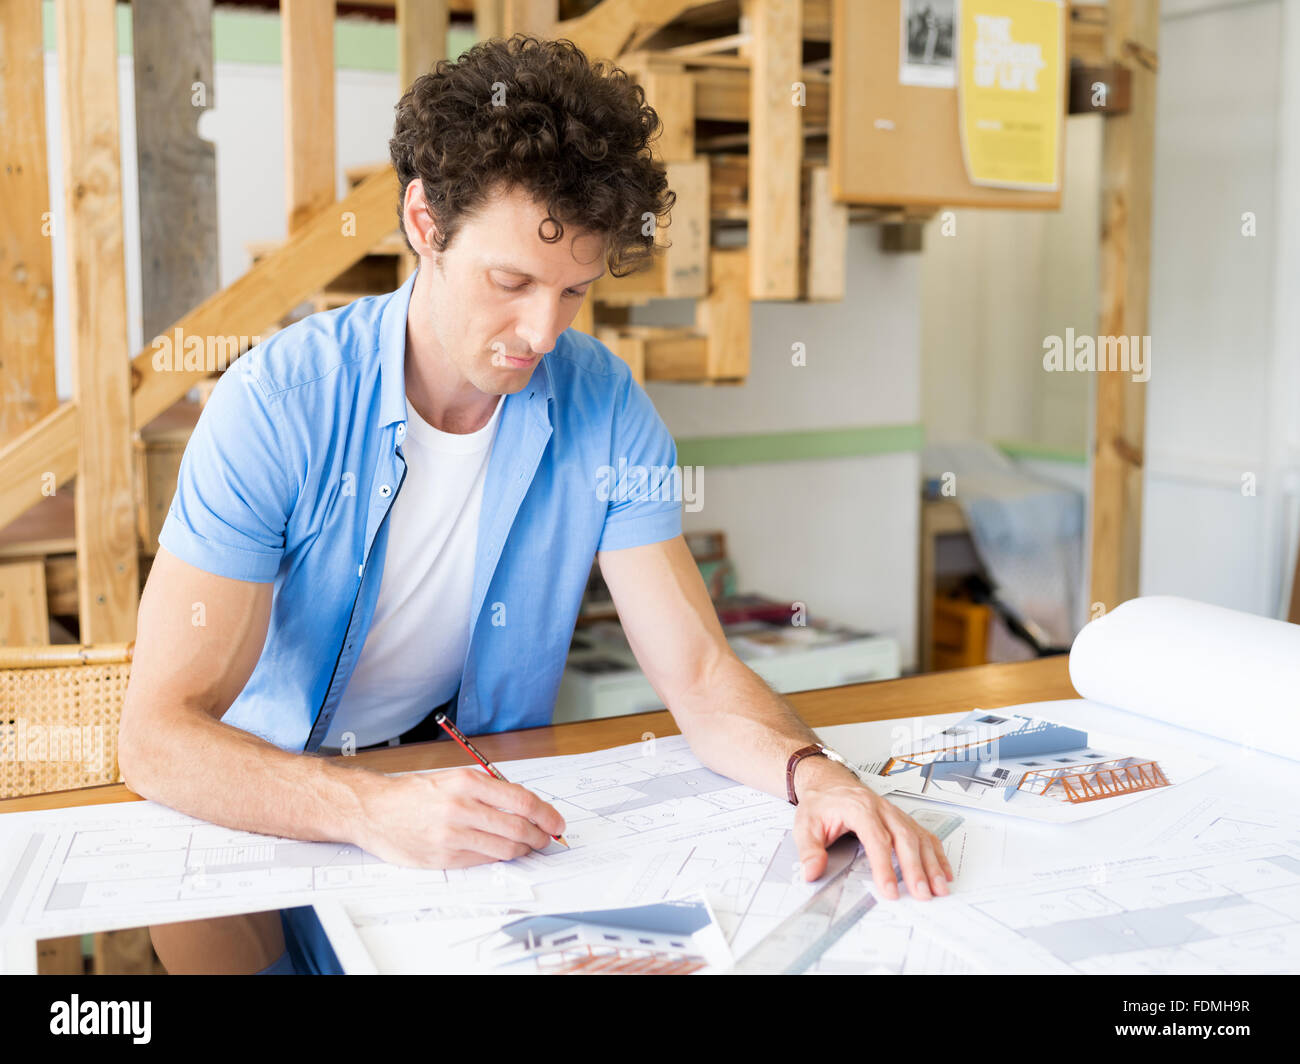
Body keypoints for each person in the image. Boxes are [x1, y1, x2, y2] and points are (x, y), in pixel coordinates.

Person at [119, 35, 952, 976]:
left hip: (478, 817)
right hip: (276, 807)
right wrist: (366, 808)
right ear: (424, 223)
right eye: (510, 283)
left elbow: (702, 677)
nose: (542, 333)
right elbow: (158, 737)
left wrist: (817, 775)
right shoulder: (277, 405)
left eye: (574, 292)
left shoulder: (604, 405)